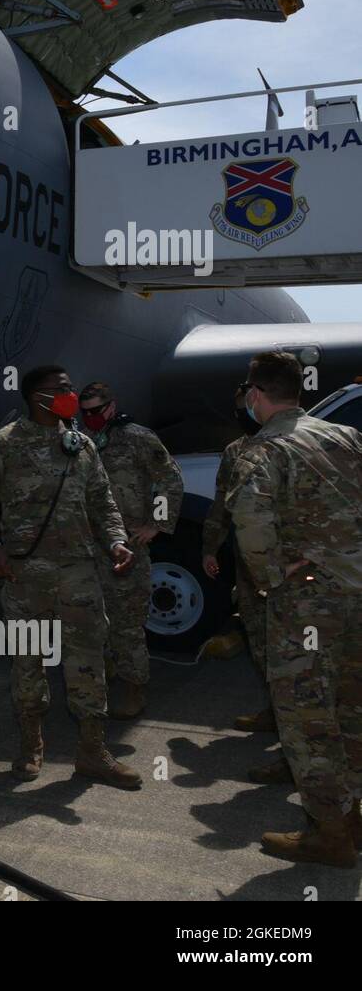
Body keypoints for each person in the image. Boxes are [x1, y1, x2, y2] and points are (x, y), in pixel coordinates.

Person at [0, 365, 139, 788]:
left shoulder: (80, 445)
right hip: (25, 574)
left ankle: (93, 752)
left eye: (70, 388)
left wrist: (117, 540)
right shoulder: (2, 445)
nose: (69, 395)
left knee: (88, 659)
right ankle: (30, 745)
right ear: (35, 396)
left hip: (79, 570)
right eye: (59, 389)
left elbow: (103, 501)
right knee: (29, 661)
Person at [227, 351, 362, 867]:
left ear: (256, 395)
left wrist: (269, 576)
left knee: (307, 720)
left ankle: (328, 834)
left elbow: (251, 522)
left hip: (308, 605)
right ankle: (351, 817)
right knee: (352, 710)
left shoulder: (264, 451)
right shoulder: (346, 436)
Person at [78, 381, 183, 719]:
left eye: (96, 410)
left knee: (126, 624)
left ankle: (135, 689)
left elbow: (170, 478)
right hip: (87, 547)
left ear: (111, 406)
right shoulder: (80, 442)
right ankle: (104, 682)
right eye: (85, 412)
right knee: (93, 622)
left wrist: (156, 524)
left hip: (126, 548)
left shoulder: (137, 437)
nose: (91, 417)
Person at [202, 383, 288, 783]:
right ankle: (275, 713)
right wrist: (209, 547)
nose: (243, 414)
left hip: (293, 570)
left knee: (296, 658)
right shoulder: (235, 452)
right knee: (260, 642)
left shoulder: (294, 444)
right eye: (238, 409)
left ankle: (295, 741)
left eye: (247, 406)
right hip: (250, 568)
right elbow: (222, 504)